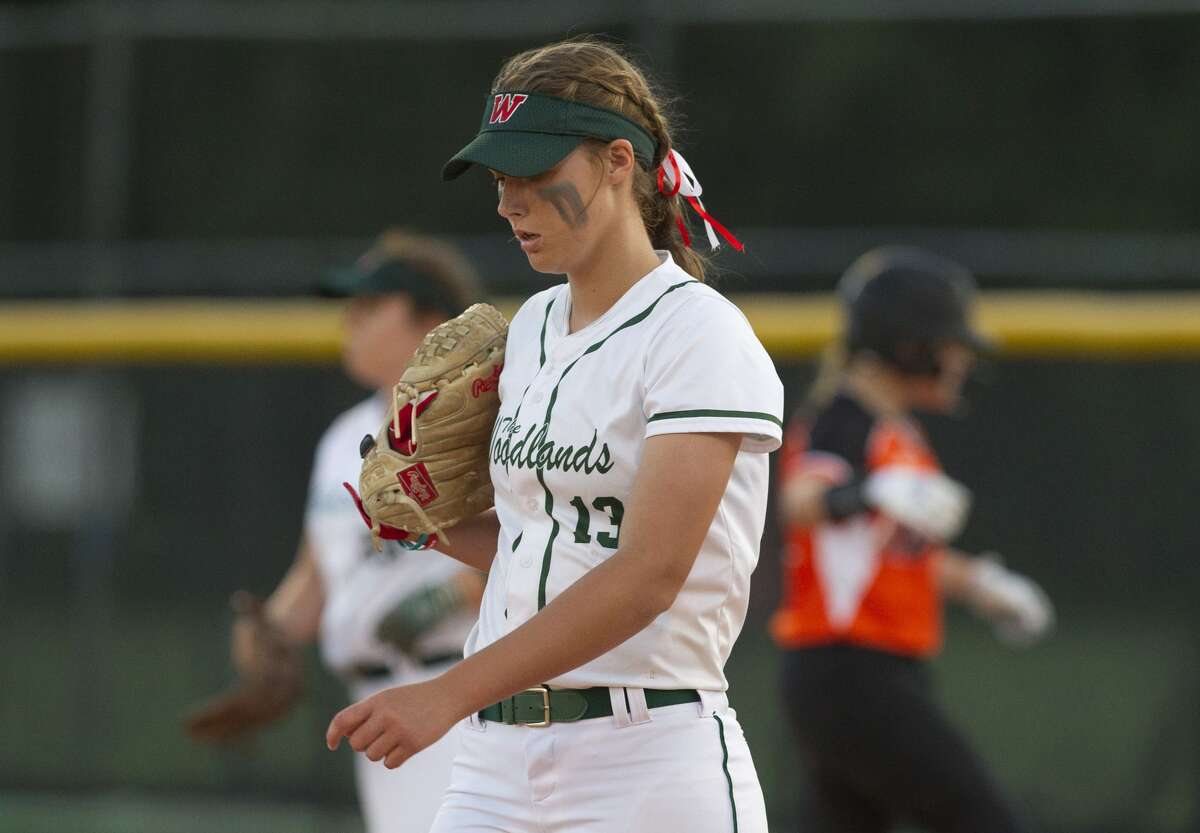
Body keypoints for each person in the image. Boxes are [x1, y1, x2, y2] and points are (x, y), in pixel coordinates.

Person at [325, 37, 784, 833]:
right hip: (494, 767)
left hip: (647, 757)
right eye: (503, 180)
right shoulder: (531, 328)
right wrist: (423, 521)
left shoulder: (698, 335)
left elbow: (646, 574)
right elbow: (541, 545)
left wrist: (447, 692)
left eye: (536, 177)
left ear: (616, 162)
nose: (510, 203)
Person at [769, 246, 1055, 833]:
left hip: (861, 673)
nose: (960, 361)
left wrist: (981, 584)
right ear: (910, 345)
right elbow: (799, 500)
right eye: (951, 346)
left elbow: (892, 549)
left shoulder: (898, 433)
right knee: (982, 818)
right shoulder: (846, 420)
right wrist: (866, 492)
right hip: (850, 672)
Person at [241, 230, 486, 833]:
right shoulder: (341, 437)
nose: (351, 321)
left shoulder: (482, 420)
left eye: (372, 306)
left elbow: (542, 548)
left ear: (430, 319)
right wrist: (267, 635)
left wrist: (448, 595)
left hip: (459, 699)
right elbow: (319, 574)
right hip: (378, 715)